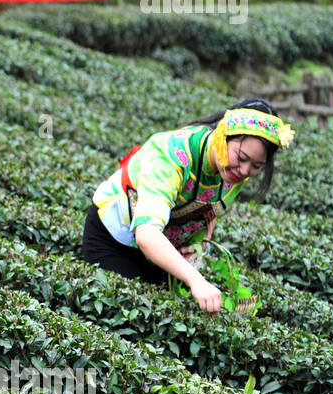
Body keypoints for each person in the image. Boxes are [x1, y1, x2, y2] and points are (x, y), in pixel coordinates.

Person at [82, 97, 295, 312]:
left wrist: (199, 244)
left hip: (161, 252)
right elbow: (146, 233)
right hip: (115, 240)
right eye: (241, 157)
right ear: (223, 134)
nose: (244, 170)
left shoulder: (233, 172)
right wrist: (196, 280)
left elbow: (208, 210)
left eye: (256, 166)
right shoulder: (171, 153)